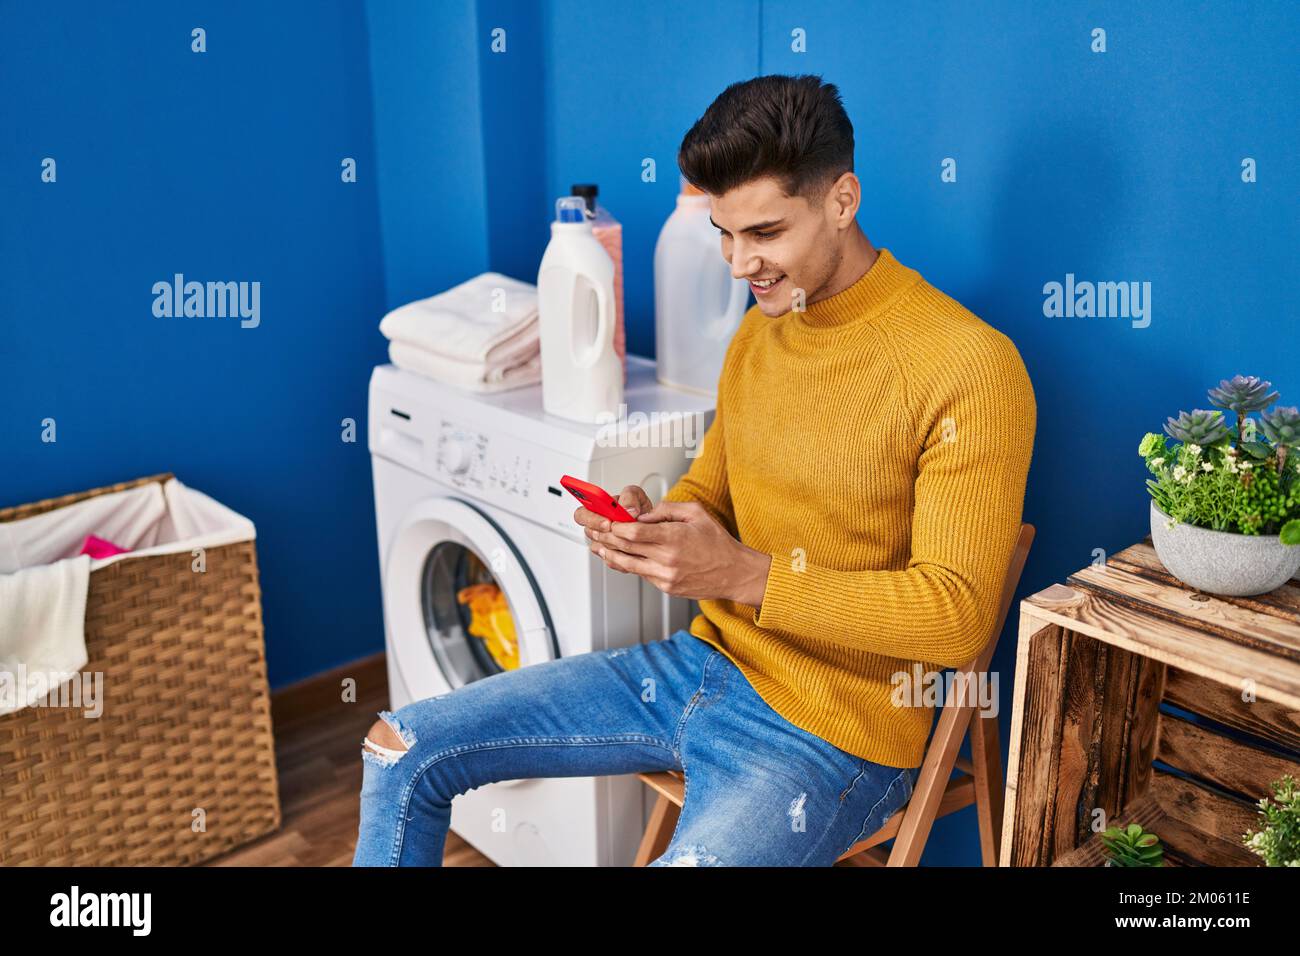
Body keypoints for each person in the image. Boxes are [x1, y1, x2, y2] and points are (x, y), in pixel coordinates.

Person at [352, 73, 1036, 867]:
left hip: (835, 731)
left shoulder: (969, 366)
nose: (740, 262)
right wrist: (651, 522)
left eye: (765, 233)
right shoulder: (759, 332)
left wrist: (746, 574)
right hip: (700, 667)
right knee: (400, 746)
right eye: (724, 232)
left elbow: (954, 619)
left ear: (842, 200)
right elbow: (713, 487)